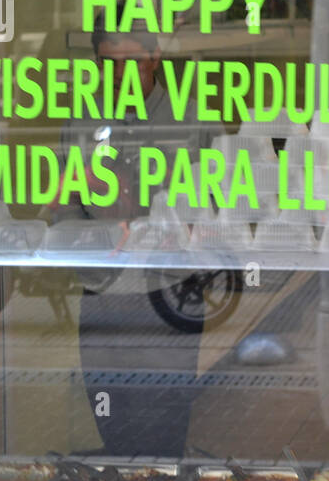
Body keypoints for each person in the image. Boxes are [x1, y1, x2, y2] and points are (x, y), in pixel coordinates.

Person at [54, 25, 222, 457]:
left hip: (168, 292)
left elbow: (220, 206)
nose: (118, 73)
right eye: (108, 63)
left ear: (154, 59)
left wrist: (176, 230)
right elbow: (63, 205)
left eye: (130, 62)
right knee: (110, 417)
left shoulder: (193, 119)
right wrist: (96, 236)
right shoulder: (83, 119)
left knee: (163, 427)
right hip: (103, 289)